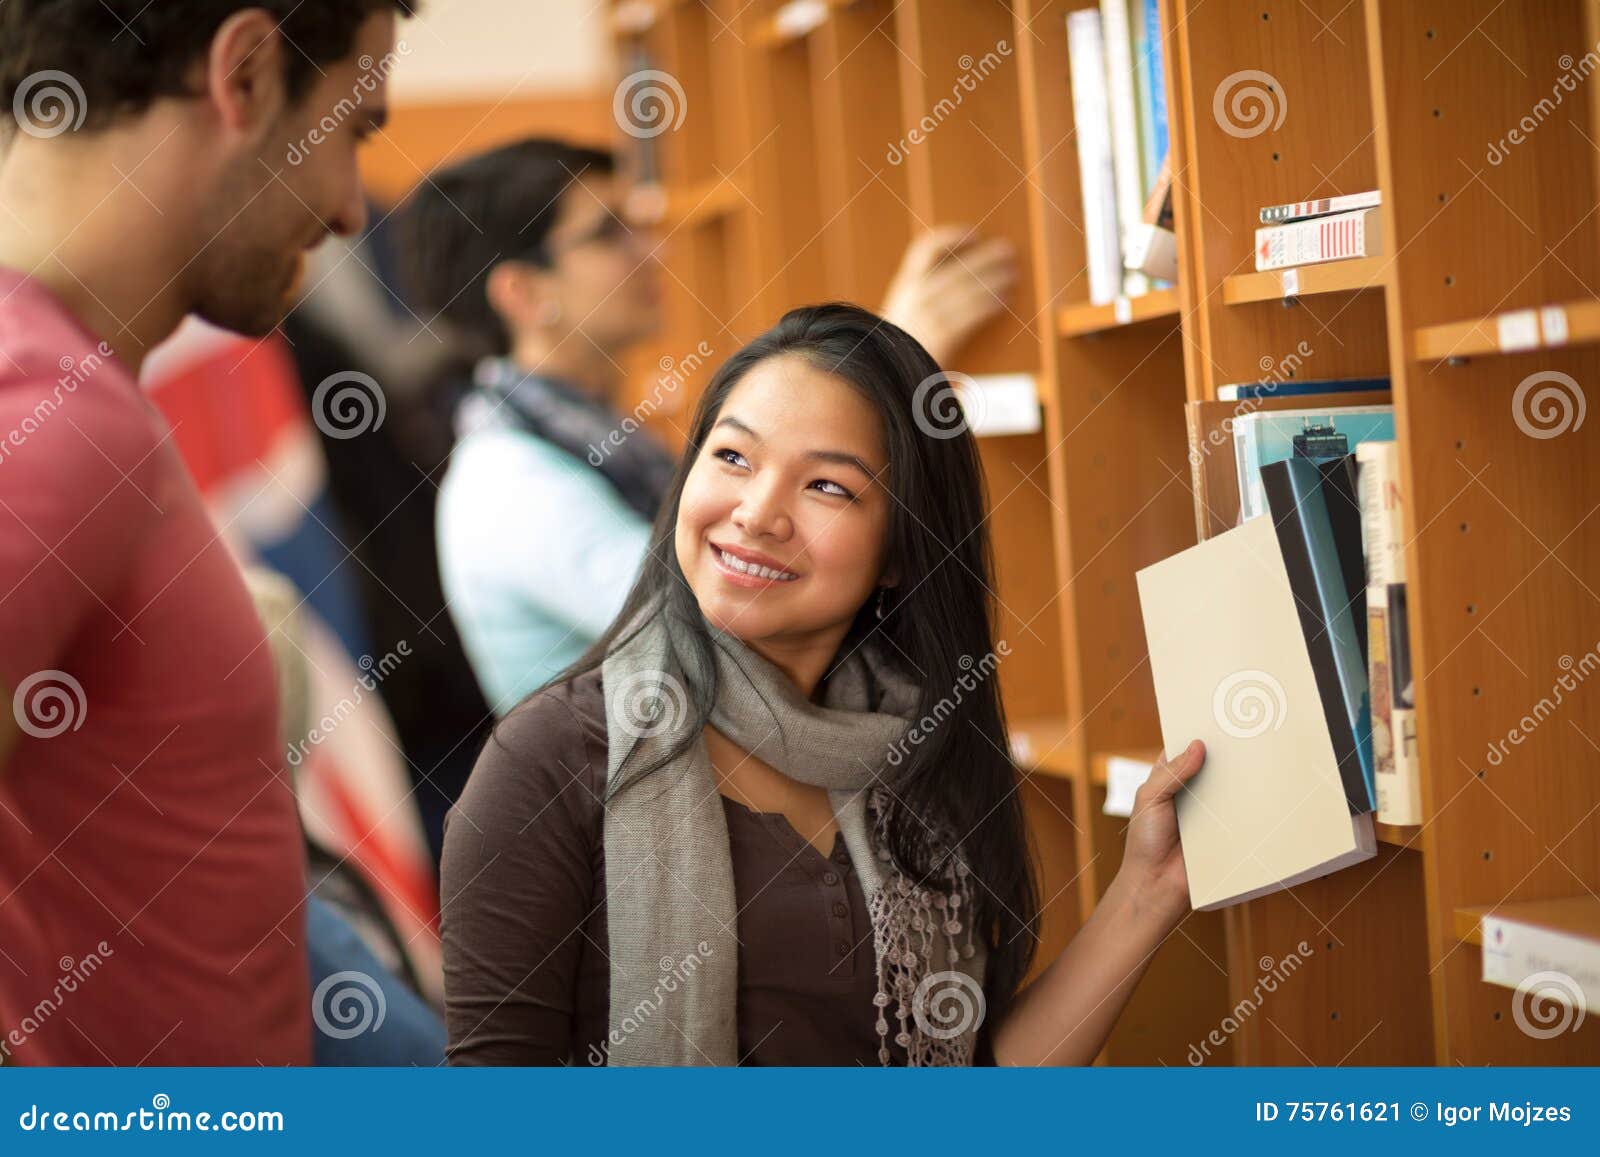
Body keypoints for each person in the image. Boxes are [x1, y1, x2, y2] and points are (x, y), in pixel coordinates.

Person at [440, 303, 1207, 1066]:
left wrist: (1146, 892)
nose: (758, 513)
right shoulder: (551, 758)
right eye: (733, 458)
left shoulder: (918, 751)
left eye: (828, 487)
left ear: (901, 552)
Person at [0, 0, 411, 1065]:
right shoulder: (56, 412)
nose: (352, 207)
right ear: (245, 72)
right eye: (352, 129)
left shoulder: (68, 390)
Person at [400, 137, 1020, 712]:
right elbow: (712, 628)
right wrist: (889, 365)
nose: (655, 248)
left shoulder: (592, 438)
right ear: (523, 294)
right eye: (609, 232)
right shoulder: (509, 482)